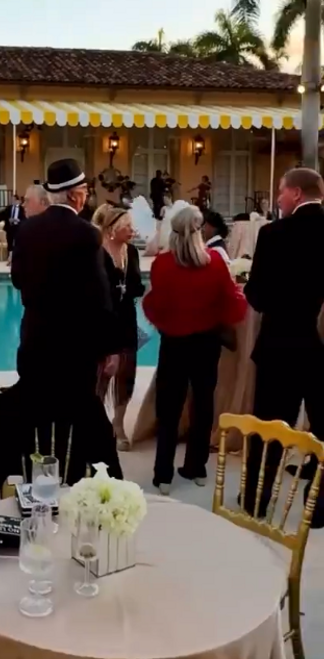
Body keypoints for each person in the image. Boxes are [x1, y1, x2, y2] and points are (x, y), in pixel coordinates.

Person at [0, 159, 122, 506]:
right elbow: (100, 298)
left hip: (35, 345)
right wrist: (110, 349)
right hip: (75, 351)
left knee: (29, 408)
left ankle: (6, 481)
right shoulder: (87, 235)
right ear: (77, 196)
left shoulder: (28, 230)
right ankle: (88, 482)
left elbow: (17, 279)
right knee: (83, 416)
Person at [143, 205, 247, 495]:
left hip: (174, 343)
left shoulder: (162, 264)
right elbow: (233, 306)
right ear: (201, 230)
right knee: (202, 405)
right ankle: (196, 467)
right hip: (206, 344)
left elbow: (153, 306)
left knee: (169, 408)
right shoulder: (214, 262)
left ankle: (162, 473)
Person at [244, 168, 324, 526]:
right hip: (318, 346)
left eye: (280, 192)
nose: (277, 198)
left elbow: (257, 296)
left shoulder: (273, 234)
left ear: (295, 193)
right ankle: (319, 507)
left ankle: (256, 501)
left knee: (270, 430)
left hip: (279, 346)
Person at [93, 204, 144, 451]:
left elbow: (136, 284)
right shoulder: (96, 252)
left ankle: (118, 423)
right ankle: (96, 423)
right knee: (101, 376)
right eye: (127, 226)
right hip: (103, 321)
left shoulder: (131, 252)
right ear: (113, 228)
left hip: (127, 320)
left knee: (127, 375)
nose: (132, 230)